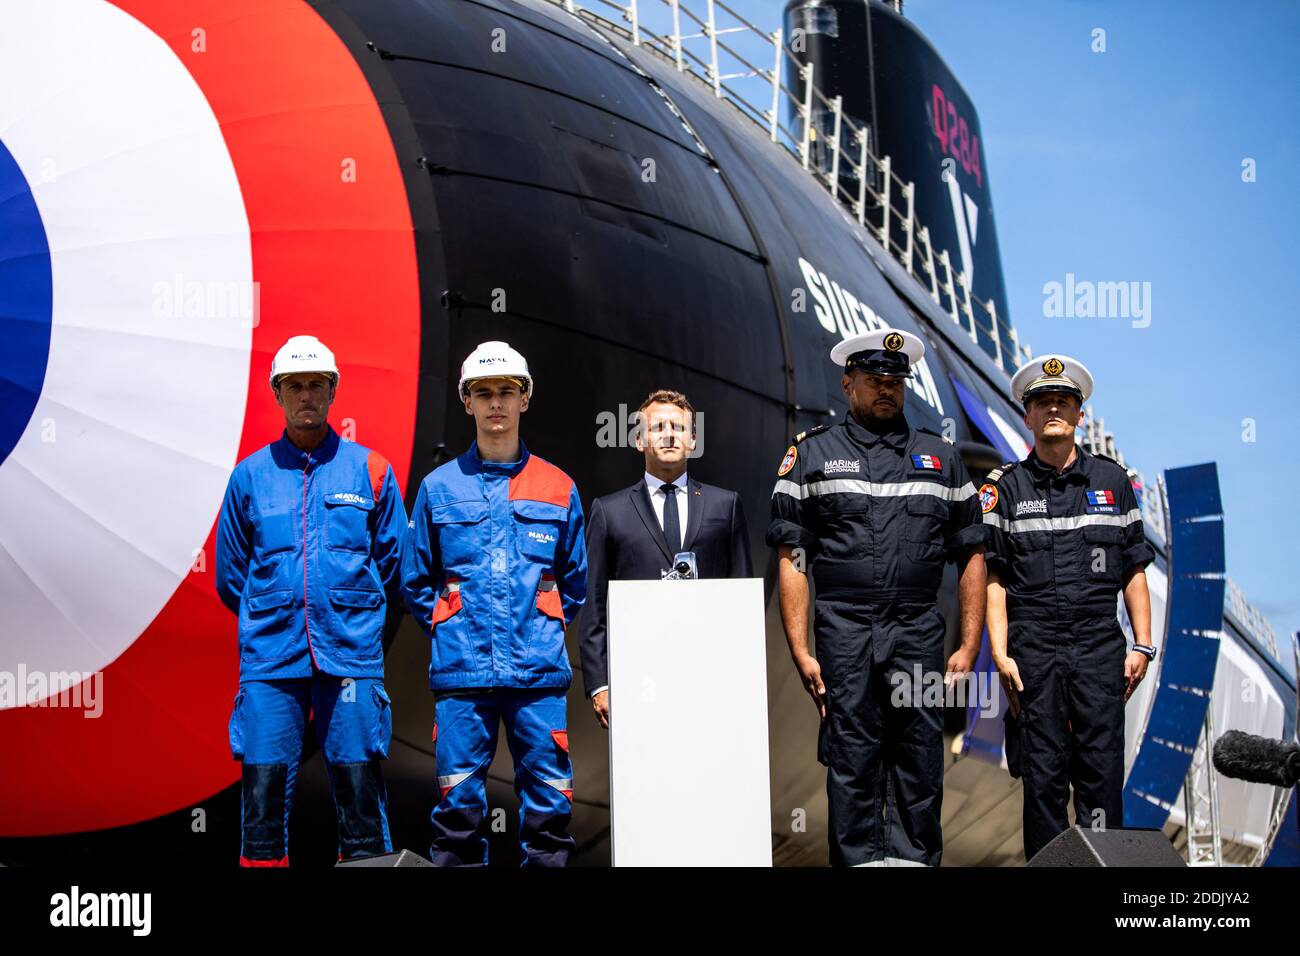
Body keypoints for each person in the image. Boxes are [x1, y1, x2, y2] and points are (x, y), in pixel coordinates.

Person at [767, 328, 986, 866]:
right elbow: (793, 554)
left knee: (918, 758)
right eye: (874, 380)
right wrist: (799, 647)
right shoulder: (812, 453)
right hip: (844, 629)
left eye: (894, 380)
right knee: (852, 757)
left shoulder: (940, 459)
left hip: (916, 629)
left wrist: (969, 643)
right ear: (848, 383)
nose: (886, 389)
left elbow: (973, 553)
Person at [216, 334, 407, 866]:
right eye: (294, 386)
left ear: (333, 392)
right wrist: (276, 611)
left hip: (348, 659)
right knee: (261, 799)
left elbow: (395, 567)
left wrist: (348, 612)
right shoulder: (249, 478)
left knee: (360, 795)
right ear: (277, 394)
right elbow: (232, 577)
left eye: (316, 385)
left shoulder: (371, 470)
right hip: (272, 662)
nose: (306, 396)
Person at [401, 341, 587, 866]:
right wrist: (451, 627)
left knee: (550, 812)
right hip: (463, 678)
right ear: (468, 403)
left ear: (525, 398)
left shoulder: (558, 488)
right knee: (458, 812)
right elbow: (417, 580)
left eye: (507, 391)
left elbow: (573, 583)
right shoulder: (438, 489)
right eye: (484, 393)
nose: (496, 403)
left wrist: (539, 630)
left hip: (538, 679)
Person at [982, 354, 1155, 861]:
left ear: (1080, 415)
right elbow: (995, 577)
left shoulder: (1114, 483)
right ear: (1028, 416)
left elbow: (1134, 571)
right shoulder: (1004, 488)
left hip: (1099, 649)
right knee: (1043, 784)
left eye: (1063, 401)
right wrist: (1000, 653)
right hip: (1033, 653)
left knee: (1101, 780)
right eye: (1042, 402)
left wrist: (1142, 644)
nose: (1053, 408)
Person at [579, 389, 753, 728]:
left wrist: (743, 678)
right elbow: (594, 604)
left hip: (711, 679)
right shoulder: (608, 512)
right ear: (639, 440)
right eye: (658, 427)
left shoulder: (726, 506)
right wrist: (600, 684)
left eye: (678, 427)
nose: (670, 434)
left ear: (692, 440)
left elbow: (742, 603)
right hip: (636, 681)